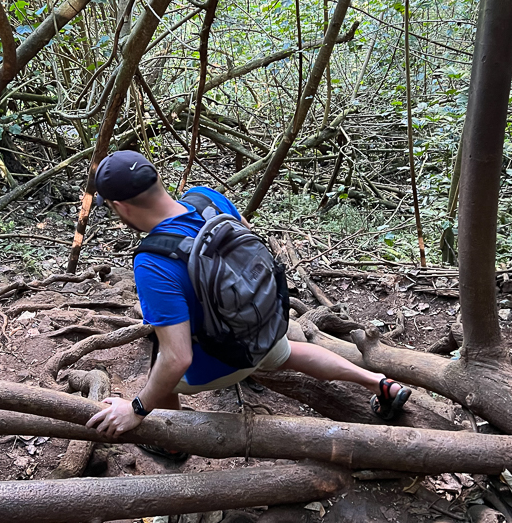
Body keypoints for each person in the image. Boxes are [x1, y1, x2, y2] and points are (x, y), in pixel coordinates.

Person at [86, 151, 410, 458]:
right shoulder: (207, 198)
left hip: (224, 361)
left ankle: (172, 445)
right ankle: (382, 384)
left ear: (122, 207)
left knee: (160, 358)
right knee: (291, 353)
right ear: (157, 178)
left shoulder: (152, 262)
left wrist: (136, 409)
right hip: (264, 328)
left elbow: (178, 359)